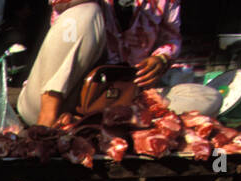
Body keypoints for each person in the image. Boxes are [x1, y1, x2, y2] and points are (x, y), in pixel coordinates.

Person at [17, 0, 180, 127]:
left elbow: (172, 38)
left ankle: (89, 124)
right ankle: (47, 121)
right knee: (85, 13)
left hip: (119, 102)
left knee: (201, 100)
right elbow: (60, 4)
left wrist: (162, 57)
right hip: (63, 99)